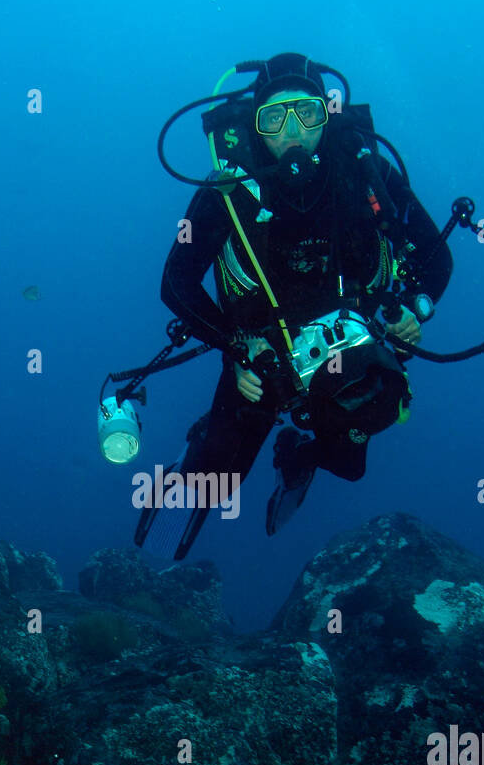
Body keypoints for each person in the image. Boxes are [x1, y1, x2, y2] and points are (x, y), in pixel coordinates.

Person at [136, 51, 453, 558]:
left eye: (307, 113)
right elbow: (175, 284)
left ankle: (297, 455)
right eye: (274, 117)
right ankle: (195, 459)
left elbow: (437, 259)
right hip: (261, 358)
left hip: (348, 348)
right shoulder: (229, 191)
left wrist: (416, 307)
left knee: (349, 464)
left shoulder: (365, 174)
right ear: (256, 127)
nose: (292, 132)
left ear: (326, 116)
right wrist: (237, 347)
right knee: (216, 478)